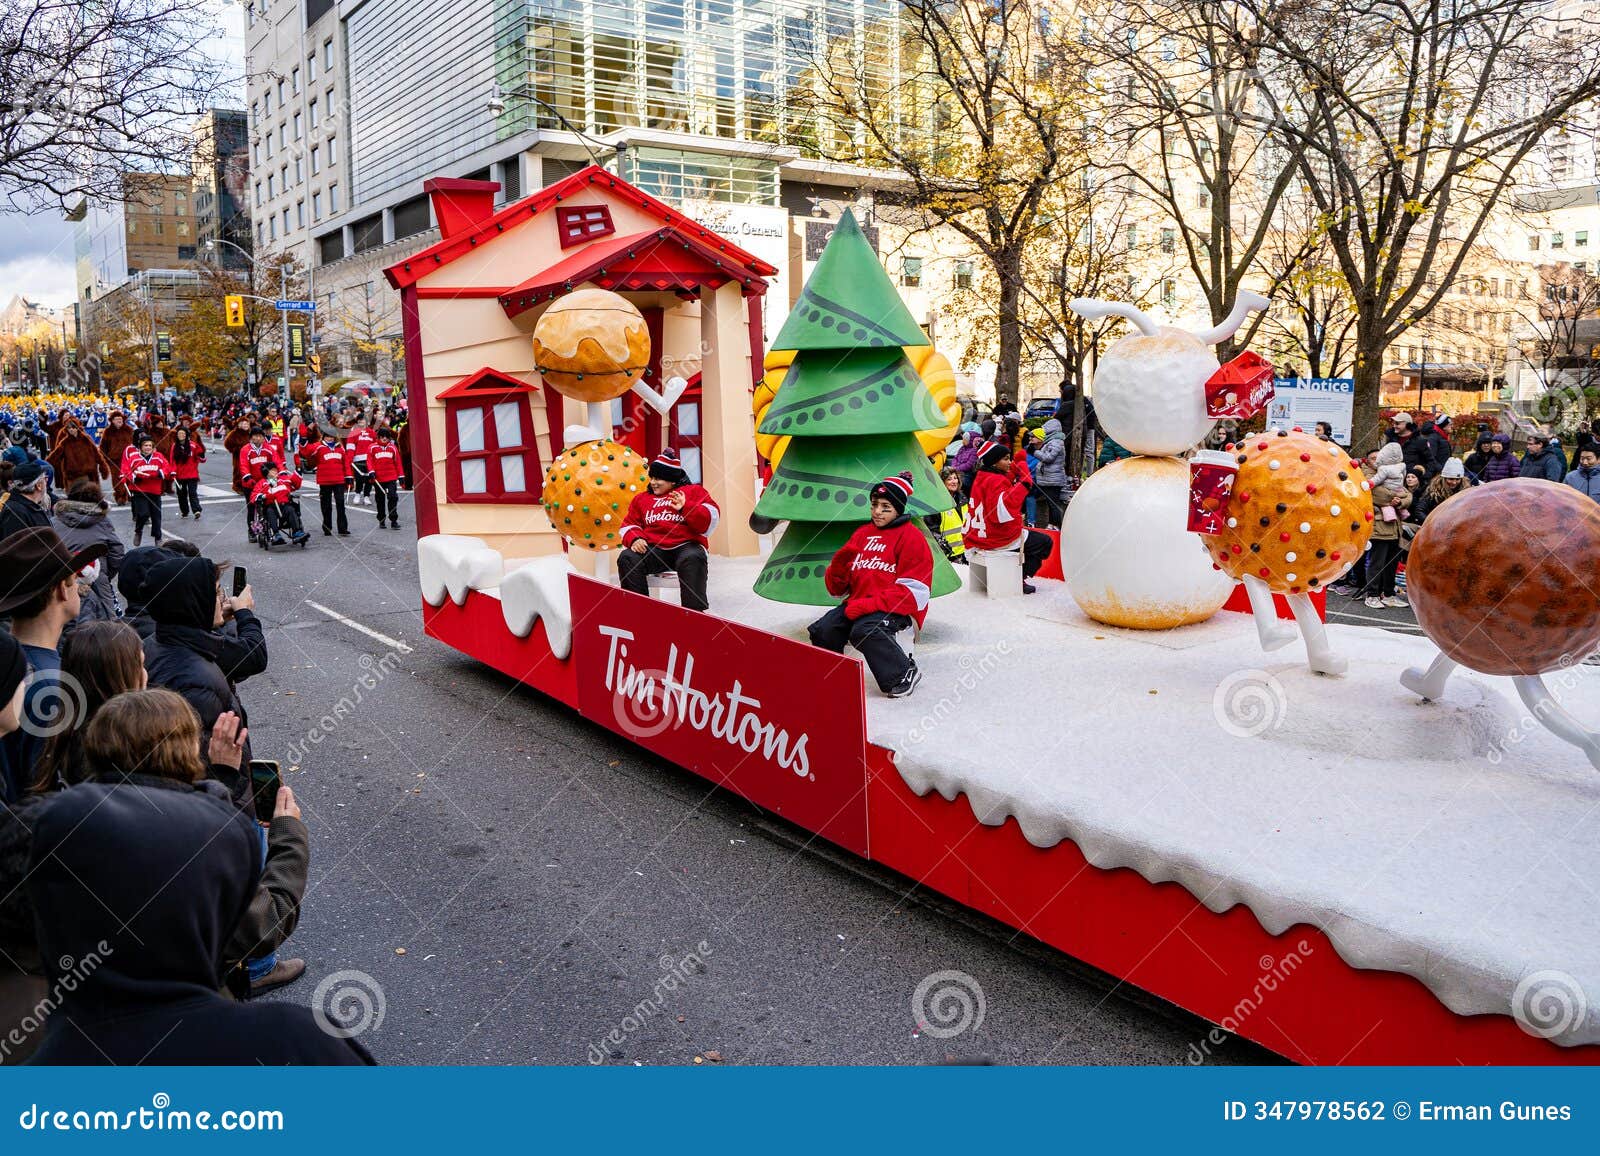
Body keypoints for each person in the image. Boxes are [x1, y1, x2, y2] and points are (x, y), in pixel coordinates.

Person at [23, 693, 361, 1063]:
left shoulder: (65, 836)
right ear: (185, 749)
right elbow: (266, 921)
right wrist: (289, 836)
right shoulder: (294, 1043)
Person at [139, 554, 256, 810]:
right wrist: (231, 782)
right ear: (194, 601)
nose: (223, 599)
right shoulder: (194, 682)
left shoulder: (157, 643)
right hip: (223, 812)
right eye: (215, 592)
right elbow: (196, 771)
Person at [0, 527, 107, 802]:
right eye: (74, 579)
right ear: (62, 589)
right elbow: (51, 790)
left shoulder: (9, 664)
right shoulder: (53, 686)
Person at [807, 472, 932, 698]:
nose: (877, 511)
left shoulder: (912, 537)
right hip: (860, 603)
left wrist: (866, 606)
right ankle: (837, 674)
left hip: (898, 609)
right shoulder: (862, 533)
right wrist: (838, 567)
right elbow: (837, 590)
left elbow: (915, 594)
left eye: (885, 506)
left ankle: (903, 672)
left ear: (898, 508)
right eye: (874, 504)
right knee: (823, 629)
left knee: (864, 631)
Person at [30, 620, 146, 792]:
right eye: (140, 664)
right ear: (120, 674)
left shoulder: (58, 734)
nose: (144, 672)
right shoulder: (120, 747)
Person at [618, 448, 720, 611]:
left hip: (686, 546)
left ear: (672, 480)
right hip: (654, 549)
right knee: (627, 557)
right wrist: (636, 538)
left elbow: (710, 520)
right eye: (651, 477)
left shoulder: (693, 491)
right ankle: (638, 611)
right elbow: (629, 524)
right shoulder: (642, 499)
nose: (653, 482)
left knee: (693, 557)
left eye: (659, 479)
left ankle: (694, 615)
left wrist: (686, 507)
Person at [965, 440, 1050, 593]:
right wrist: (1023, 469)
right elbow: (1001, 512)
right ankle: (1018, 578)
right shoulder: (995, 480)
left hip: (978, 535)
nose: (1009, 462)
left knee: (1032, 538)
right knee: (1044, 542)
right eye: (1005, 459)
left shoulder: (983, 475)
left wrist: (1015, 465)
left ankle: (1012, 565)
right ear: (993, 462)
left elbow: (1004, 482)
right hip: (996, 538)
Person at [51, 479, 124, 623]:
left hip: (65, 577)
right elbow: (117, 551)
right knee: (108, 620)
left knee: (62, 620)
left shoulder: (55, 521)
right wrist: (105, 573)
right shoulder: (103, 522)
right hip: (97, 575)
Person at [1363, 457, 1412, 609]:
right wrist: (1397, 497)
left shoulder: (1391, 476)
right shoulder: (1368, 476)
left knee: (1391, 564)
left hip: (1395, 526)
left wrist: (1400, 500)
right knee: (1377, 563)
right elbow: (1379, 494)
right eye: (1373, 458)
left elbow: (1408, 494)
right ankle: (1372, 595)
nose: (1376, 460)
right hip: (1379, 527)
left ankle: (1388, 593)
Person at [120, 432, 172, 547]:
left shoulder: (158, 457)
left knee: (156, 515)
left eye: (150, 445)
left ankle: (158, 538)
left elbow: (167, 467)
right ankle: (138, 531)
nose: (148, 447)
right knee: (143, 514)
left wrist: (159, 473)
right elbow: (125, 470)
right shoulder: (134, 458)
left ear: (153, 447)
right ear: (140, 447)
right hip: (140, 490)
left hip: (155, 490)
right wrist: (134, 476)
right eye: (145, 445)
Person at [298, 426, 352, 536]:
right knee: (326, 505)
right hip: (325, 481)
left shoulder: (340, 448)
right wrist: (303, 436)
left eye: (332, 437)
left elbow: (346, 463)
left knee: (340, 504)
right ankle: (327, 527)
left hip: (339, 480)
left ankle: (342, 528)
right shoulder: (318, 447)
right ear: (323, 436)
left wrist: (349, 477)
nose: (330, 439)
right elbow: (306, 451)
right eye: (327, 436)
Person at [252, 462, 310, 545]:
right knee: (270, 512)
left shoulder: (283, 480)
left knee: (291, 509)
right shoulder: (262, 483)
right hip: (271, 506)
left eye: (276, 470)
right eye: (273, 470)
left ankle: (296, 532)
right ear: (266, 472)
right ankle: (276, 534)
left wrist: (298, 469)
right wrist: (264, 496)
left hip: (285, 504)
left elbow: (295, 483)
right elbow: (254, 496)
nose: (276, 472)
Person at [45, 417, 108, 492]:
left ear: (77, 427)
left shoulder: (86, 439)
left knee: (92, 497)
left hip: (89, 474)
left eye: (73, 427)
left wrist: (103, 466)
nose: (71, 429)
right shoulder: (65, 442)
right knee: (76, 499)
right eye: (68, 428)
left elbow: (96, 453)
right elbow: (55, 456)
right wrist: (45, 465)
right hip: (73, 476)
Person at [0, 461, 52, 541]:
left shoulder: (28, 506)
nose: (47, 480)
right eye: (45, 478)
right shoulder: (16, 512)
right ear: (39, 485)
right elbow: (15, 549)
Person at [927, 467, 969, 565]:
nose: (954, 481)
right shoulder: (936, 502)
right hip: (949, 555)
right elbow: (931, 529)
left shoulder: (963, 498)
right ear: (942, 482)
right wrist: (941, 545)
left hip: (967, 551)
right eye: (949, 479)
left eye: (955, 478)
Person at [1032, 418, 1069, 529]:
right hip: (1049, 477)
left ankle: (1056, 525)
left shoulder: (1056, 442)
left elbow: (1049, 458)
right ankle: (1051, 524)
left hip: (1053, 478)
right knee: (1050, 503)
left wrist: (1035, 452)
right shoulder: (1051, 441)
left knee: (1054, 504)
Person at [368, 426, 404, 529]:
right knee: (380, 499)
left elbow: (398, 462)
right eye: (382, 436)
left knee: (393, 497)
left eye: (386, 437)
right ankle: (381, 519)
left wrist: (401, 475)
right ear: (378, 437)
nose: (384, 438)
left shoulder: (393, 448)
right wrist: (371, 471)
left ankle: (394, 520)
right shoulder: (372, 447)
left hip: (391, 477)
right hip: (378, 478)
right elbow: (369, 461)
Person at [1412, 458, 1468, 523]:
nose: (1454, 482)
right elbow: (1419, 510)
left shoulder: (1466, 492)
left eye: (1457, 479)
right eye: (1451, 479)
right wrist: (1433, 523)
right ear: (1444, 478)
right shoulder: (1433, 491)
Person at [96, 410, 134, 504]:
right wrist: (104, 459)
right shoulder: (108, 432)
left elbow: (135, 443)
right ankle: (120, 496)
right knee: (117, 479)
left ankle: (130, 495)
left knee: (130, 477)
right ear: (112, 421)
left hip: (129, 459)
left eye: (120, 419)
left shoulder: (129, 430)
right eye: (117, 419)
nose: (119, 421)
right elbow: (103, 446)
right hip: (114, 460)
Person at [170, 425, 207, 519]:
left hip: (192, 474)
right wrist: (173, 472)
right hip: (179, 475)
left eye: (183, 433)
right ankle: (185, 511)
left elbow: (201, 459)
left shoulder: (193, 445)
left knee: (192, 493)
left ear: (187, 435)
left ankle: (196, 510)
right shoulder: (174, 446)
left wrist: (202, 456)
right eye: (179, 434)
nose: (181, 435)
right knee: (181, 494)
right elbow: (172, 461)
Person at [346, 416, 376, 505]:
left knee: (369, 478)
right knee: (359, 478)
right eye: (359, 420)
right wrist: (350, 459)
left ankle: (366, 496)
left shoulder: (372, 433)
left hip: (370, 460)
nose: (361, 422)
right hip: (358, 460)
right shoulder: (353, 433)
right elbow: (350, 446)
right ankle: (357, 494)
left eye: (362, 420)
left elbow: (375, 446)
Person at [222, 415, 255, 496]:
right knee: (238, 472)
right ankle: (237, 487)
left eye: (247, 424)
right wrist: (235, 450)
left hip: (249, 456)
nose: (246, 425)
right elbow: (227, 444)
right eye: (244, 424)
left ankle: (248, 486)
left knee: (249, 471)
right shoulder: (234, 433)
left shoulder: (250, 433)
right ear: (240, 424)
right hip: (238, 457)